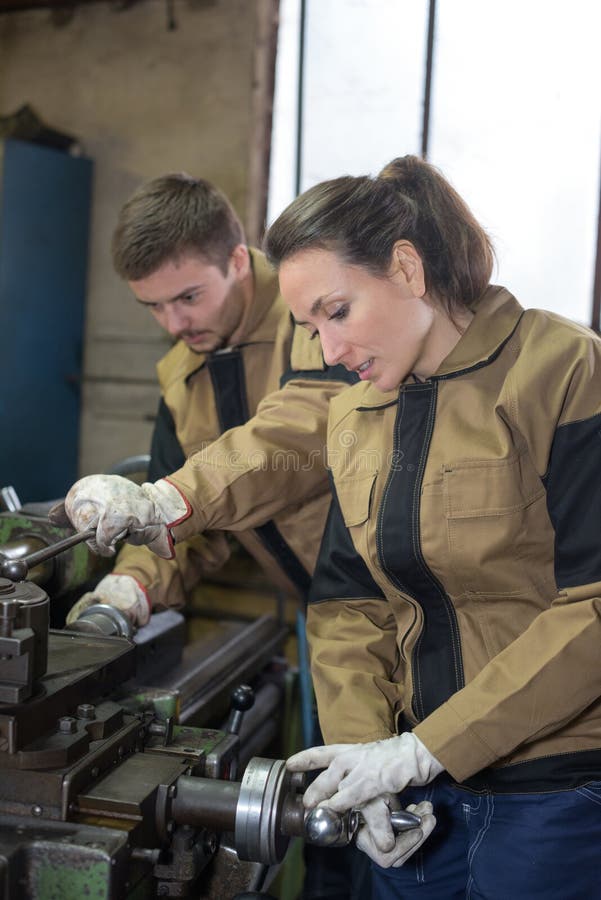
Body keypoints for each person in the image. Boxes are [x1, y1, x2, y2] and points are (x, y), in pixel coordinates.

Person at [259, 155, 601, 898]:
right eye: (309, 326)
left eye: (337, 311)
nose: (329, 351)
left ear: (407, 270)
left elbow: (594, 604)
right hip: (417, 798)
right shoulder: (353, 416)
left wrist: (423, 750)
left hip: (558, 795)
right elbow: (349, 604)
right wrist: (366, 759)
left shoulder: (563, 371)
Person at [67, 173, 350, 628]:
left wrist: (174, 499)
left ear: (237, 261)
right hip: (323, 612)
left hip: (400, 595)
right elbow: (175, 529)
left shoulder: (312, 316)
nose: (173, 324)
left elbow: (303, 434)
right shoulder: (182, 378)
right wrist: (131, 586)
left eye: (188, 297)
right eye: (154, 307)